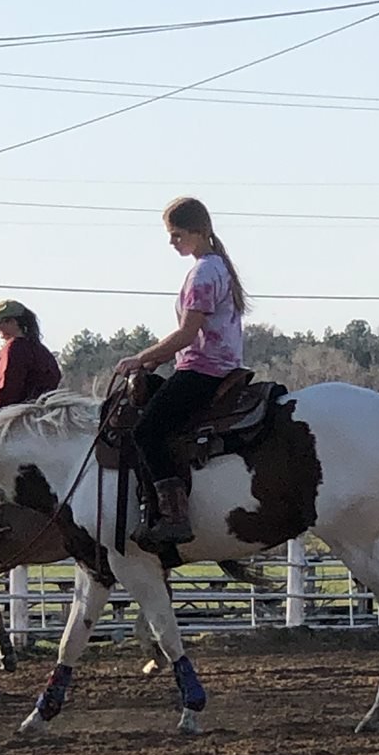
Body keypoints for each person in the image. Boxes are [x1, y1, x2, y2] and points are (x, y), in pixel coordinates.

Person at [114, 197, 246, 547]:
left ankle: (174, 516)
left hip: (204, 370)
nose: (172, 242)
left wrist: (139, 357)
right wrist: (156, 360)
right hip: (217, 365)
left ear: (198, 231)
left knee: (146, 432)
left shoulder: (203, 273)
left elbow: (187, 334)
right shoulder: (220, 268)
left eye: (177, 235)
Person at [0, 300, 62, 421]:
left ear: (13, 322)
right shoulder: (42, 351)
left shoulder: (13, 350)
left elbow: (4, 396)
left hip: (13, 421)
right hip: (43, 417)